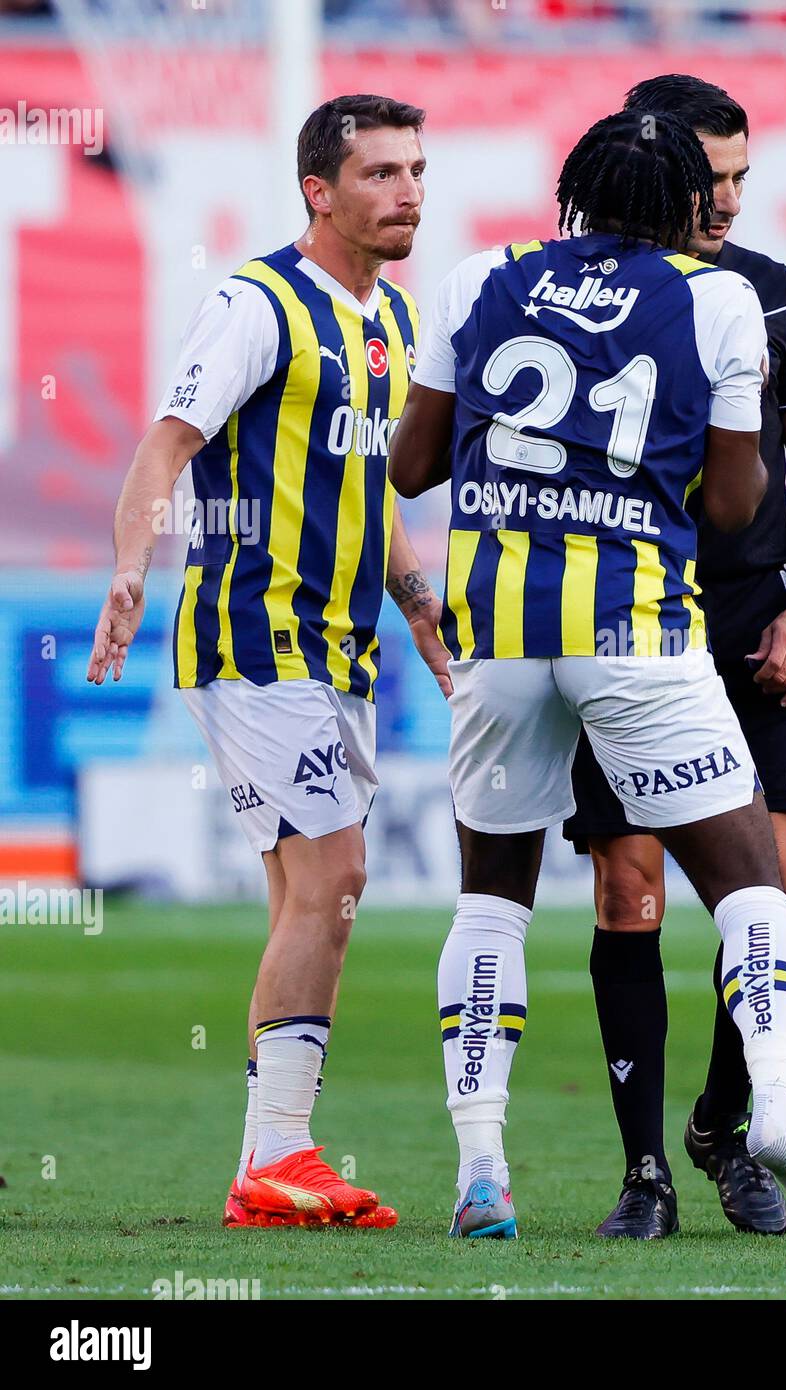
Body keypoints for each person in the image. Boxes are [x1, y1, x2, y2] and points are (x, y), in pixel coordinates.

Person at [389, 107, 786, 1241]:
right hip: (637, 636)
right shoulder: (718, 299)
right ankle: (779, 1112)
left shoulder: (477, 279)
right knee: (753, 884)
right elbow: (739, 505)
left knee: (491, 899)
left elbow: (408, 467)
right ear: (687, 208)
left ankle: (482, 1165)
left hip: (497, 639)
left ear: (576, 193)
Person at [87, 94, 446, 1229]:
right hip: (254, 634)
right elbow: (166, 441)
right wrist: (131, 563)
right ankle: (284, 1153)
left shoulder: (389, 322)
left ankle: (267, 1168)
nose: (408, 193)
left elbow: (369, 484)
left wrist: (422, 609)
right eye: (382, 173)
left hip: (342, 647)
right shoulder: (258, 303)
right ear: (319, 191)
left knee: (313, 889)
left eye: (417, 170)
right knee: (333, 876)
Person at [559, 75, 786, 1239]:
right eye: (706, 179)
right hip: (620, 624)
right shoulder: (568, 295)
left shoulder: (772, 296)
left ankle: (726, 1129)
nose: (724, 201)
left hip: (748, 629)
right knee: (627, 891)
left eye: (740, 177)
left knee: (771, 893)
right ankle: (643, 1174)